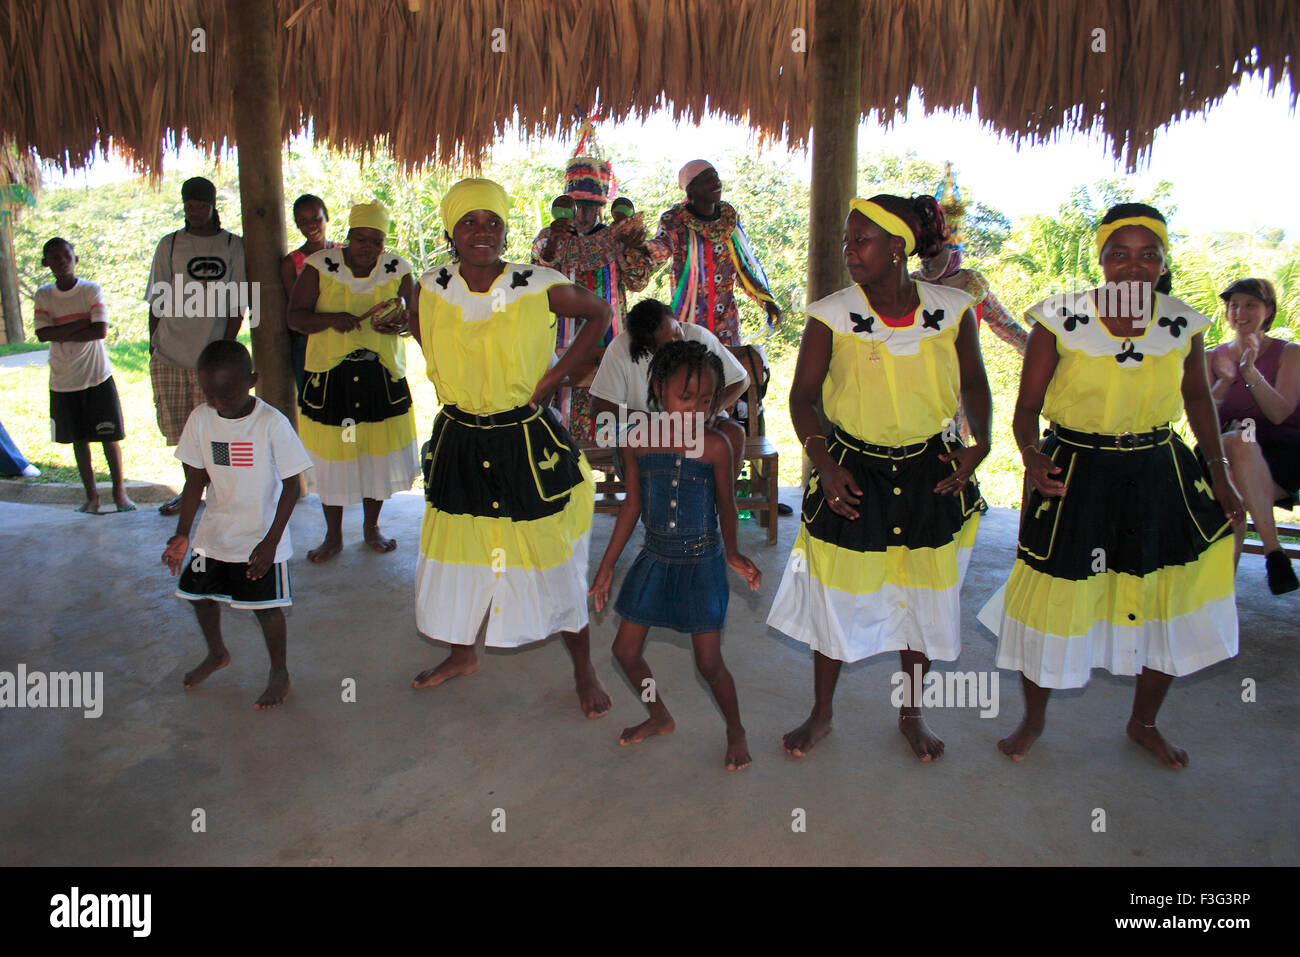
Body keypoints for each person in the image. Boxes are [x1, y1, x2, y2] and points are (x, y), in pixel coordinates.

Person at [978, 203, 1244, 769]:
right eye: (1118, 254)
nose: (1133, 267)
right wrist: (1029, 455)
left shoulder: (1182, 323)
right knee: (1055, 594)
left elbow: (1196, 399)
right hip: (1075, 471)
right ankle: (1034, 718)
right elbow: (1026, 407)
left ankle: (1144, 722)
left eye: (1148, 255)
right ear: (1100, 259)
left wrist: (1219, 469)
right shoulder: (1060, 318)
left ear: (1163, 261)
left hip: (1159, 469)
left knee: (1164, 595)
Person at [767, 194, 992, 762]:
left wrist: (981, 444)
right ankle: (821, 713)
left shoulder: (952, 309)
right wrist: (823, 463)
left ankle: (911, 715)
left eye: (860, 240)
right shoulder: (831, 314)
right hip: (852, 470)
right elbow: (802, 397)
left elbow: (975, 384)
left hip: (929, 471)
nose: (849, 251)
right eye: (846, 241)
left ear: (898, 247)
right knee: (835, 595)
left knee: (919, 596)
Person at [408, 177, 615, 718]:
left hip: (522, 436)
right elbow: (420, 328)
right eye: (470, 222)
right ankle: (461, 653)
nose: (483, 233)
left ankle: (583, 668)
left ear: (506, 229)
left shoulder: (537, 283)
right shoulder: (431, 285)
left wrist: (554, 379)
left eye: (493, 222)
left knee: (546, 553)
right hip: (458, 435)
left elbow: (600, 314)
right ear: (451, 231)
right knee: (461, 547)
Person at [589, 340, 762, 770]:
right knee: (625, 653)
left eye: (705, 400)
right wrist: (606, 568)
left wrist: (734, 553)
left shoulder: (716, 445)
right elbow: (631, 506)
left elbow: (726, 505)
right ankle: (658, 714)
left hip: (702, 564)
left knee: (709, 664)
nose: (695, 409)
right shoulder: (636, 442)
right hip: (654, 559)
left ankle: (735, 728)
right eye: (685, 397)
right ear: (659, 389)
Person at [161, 340, 313, 710]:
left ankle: (279, 671)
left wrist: (271, 542)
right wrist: (182, 534)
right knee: (197, 594)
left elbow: (292, 485)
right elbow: (195, 481)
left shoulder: (271, 424)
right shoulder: (200, 419)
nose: (218, 403)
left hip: (260, 534)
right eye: (210, 394)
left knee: (266, 607)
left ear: (252, 381)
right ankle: (217, 653)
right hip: (214, 533)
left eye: (226, 395)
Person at [286, 200, 419, 563]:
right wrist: (331, 319)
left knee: (373, 453)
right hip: (333, 380)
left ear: (383, 242)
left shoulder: (398, 268)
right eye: (361, 239)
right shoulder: (319, 267)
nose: (368, 248)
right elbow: (294, 318)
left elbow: (417, 318)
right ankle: (333, 536)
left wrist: (402, 324)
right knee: (335, 456)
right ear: (346, 237)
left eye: (376, 241)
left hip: (381, 376)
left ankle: (371, 527)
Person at [530, 155, 653, 443]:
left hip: (609, 342)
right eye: (578, 206)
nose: (584, 215)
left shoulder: (617, 237)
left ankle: (613, 480)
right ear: (565, 205)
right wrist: (552, 243)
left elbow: (637, 280)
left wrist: (631, 240)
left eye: (592, 207)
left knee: (609, 412)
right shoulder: (550, 237)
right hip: (558, 343)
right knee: (559, 414)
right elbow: (537, 275)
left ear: (602, 208)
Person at [146, 176, 247, 515]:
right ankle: (192, 493)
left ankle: (220, 493)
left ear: (213, 206)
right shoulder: (170, 245)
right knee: (183, 432)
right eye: (190, 206)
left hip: (211, 360)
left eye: (202, 205)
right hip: (170, 355)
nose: (195, 211)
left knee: (217, 428)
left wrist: (226, 349)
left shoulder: (233, 246)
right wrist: (152, 343)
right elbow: (157, 299)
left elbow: (238, 303)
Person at [1208, 278, 1300, 594]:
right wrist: (1223, 381)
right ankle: (1274, 552)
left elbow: (1279, 414)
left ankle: (1222, 603)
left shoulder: (1290, 354)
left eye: (1250, 304)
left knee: (1230, 495)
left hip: (1279, 455)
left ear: (1268, 311)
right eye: (1234, 305)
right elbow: (1202, 422)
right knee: (1236, 439)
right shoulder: (1210, 357)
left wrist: (1250, 373)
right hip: (1218, 450)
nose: (1240, 311)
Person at [589, 297, 749, 478]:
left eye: (676, 331)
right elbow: (599, 407)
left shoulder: (699, 337)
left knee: (734, 434)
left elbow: (740, 380)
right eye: (668, 343)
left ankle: (717, 500)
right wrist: (655, 421)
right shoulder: (621, 348)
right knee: (647, 445)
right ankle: (655, 502)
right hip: (645, 428)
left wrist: (710, 412)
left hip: (700, 424)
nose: (678, 341)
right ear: (647, 347)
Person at [33, 238, 133, 513]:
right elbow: (42, 334)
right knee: (79, 439)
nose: (61, 260)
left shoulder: (90, 289)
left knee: (109, 437)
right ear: (46, 263)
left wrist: (61, 330)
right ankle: (92, 497)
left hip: (97, 375)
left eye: (66, 255)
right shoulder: (44, 295)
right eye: (54, 257)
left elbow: (99, 331)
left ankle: (119, 494)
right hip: (63, 380)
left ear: (75, 258)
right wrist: (81, 324)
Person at [646, 159, 781, 347]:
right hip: (689, 319)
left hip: (726, 322)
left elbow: (742, 267)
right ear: (690, 190)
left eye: (715, 176)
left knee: (728, 372)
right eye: (707, 179)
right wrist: (640, 246)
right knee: (691, 371)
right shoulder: (675, 220)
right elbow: (661, 248)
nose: (715, 182)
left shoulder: (727, 219)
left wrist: (765, 300)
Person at [279, 194, 337, 403]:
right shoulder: (291, 263)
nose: (311, 225)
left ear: (326, 216)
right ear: (296, 225)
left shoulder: (345, 252)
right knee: (314, 402)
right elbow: (298, 309)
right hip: (309, 340)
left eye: (316, 218)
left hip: (345, 333)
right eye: (303, 221)